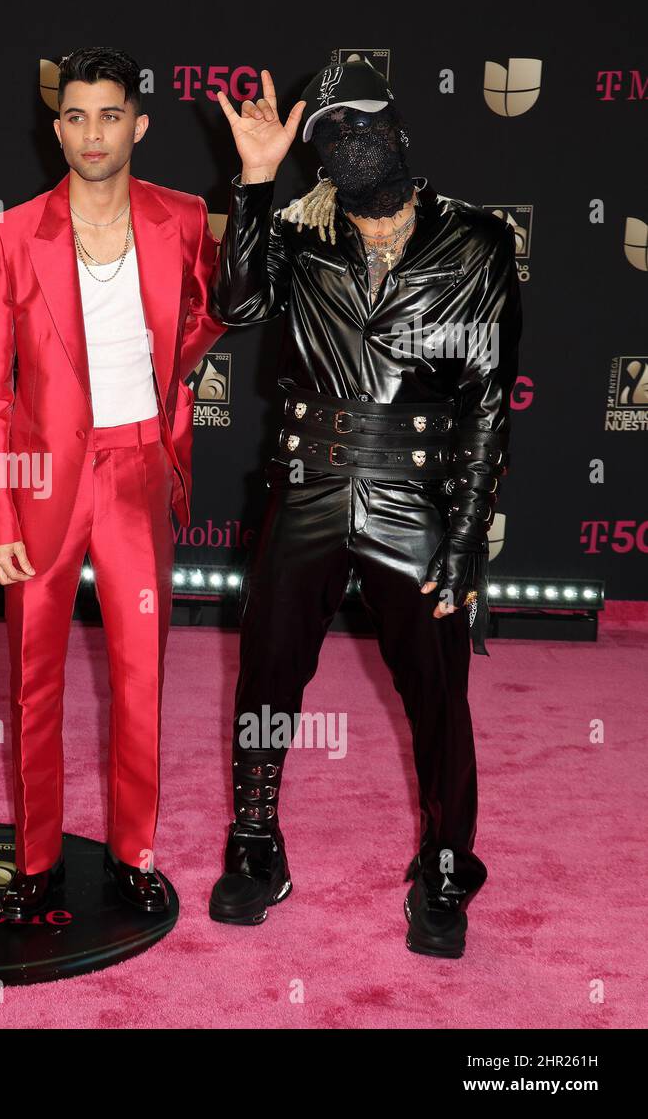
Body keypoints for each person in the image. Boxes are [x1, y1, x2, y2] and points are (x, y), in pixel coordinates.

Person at [207, 60, 522, 958]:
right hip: (306, 487)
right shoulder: (301, 234)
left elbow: (489, 400)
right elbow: (235, 305)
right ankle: (257, 847)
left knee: (438, 697)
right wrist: (259, 180)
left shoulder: (477, 242)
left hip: (414, 498)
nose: (349, 143)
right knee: (266, 680)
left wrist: (465, 540)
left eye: (364, 124)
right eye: (329, 133)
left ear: (401, 129)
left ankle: (447, 861)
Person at [0, 47, 223, 918]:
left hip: (139, 468)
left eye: (109, 115)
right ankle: (36, 861)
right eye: (74, 116)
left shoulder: (184, 218)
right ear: (57, 129)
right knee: (34, 678)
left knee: (138, 675)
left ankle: (132, 854)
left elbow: (224, 311)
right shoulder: (13, 233)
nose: (91, 133)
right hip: (40, 481)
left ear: (138, 124)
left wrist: (259, 183)